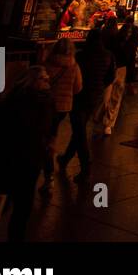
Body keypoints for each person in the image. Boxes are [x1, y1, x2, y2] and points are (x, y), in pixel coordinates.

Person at [0, 66, 54, 242]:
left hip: (28, 163)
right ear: (31, 81)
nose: (47, 82)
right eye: (43, 79)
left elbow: (46, 129)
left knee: (21, 209)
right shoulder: (13, 104)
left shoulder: (46, 103)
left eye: (47, 78)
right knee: (0, 205)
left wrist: (47, 142)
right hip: (10, 162)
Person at [59, 27, 114, 181]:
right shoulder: (108, 56)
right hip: (94, 96)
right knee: (80, 128)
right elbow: (110, 77)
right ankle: (66, 159)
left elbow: (74, 76)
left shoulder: (81, 55)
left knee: (79, 130)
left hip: (79, 95)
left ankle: (85, 166)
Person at [42, 37, 82, 184]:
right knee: (52, 135)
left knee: (45, 136)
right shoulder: (74, 66)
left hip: (47, 105)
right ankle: (49, 171)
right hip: (63, 107)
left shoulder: (48, 64)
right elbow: (78, 88)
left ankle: (48, 170)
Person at [100, 11, 138, 135]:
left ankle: (102, 118)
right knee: (116, 97)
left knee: (107, 93)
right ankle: (108, 123)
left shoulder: (114, 37)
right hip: (121, 69)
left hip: (112, 67)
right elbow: (131, 60)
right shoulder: (131, 43)